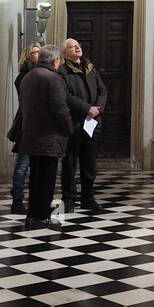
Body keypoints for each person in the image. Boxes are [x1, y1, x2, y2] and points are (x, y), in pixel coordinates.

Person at [17, 45, 72, 230]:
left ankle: (33, 214)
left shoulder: (28, 77)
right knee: (46, 178)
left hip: (31, 135)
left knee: (35, 177)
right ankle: (41, 216)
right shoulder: (53, 78)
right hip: (49, 136)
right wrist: (68, 127)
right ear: (55, 61)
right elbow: (60, 108)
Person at [58, 37, 107, 213]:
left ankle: (88, 198)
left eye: (78, 45)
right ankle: (69, 199)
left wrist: (97, 109)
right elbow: (66, 96)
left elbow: (102, 90)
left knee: (89, 164)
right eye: (73, 46)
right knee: (70, 163)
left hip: (92, 123)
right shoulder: (62, 71)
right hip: (74, 123)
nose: (78, 48)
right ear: (65, 53)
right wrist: (87, 108)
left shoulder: (90, 68)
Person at [7, 44, 41, 213]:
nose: (40, 53)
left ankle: (30, 198)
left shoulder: (40, 72)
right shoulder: (24, 76)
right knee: (23, 164)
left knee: (33, 164)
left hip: (36, 124)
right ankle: (17, 199)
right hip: (27, 124)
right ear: (28, 56)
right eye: (36, 52)